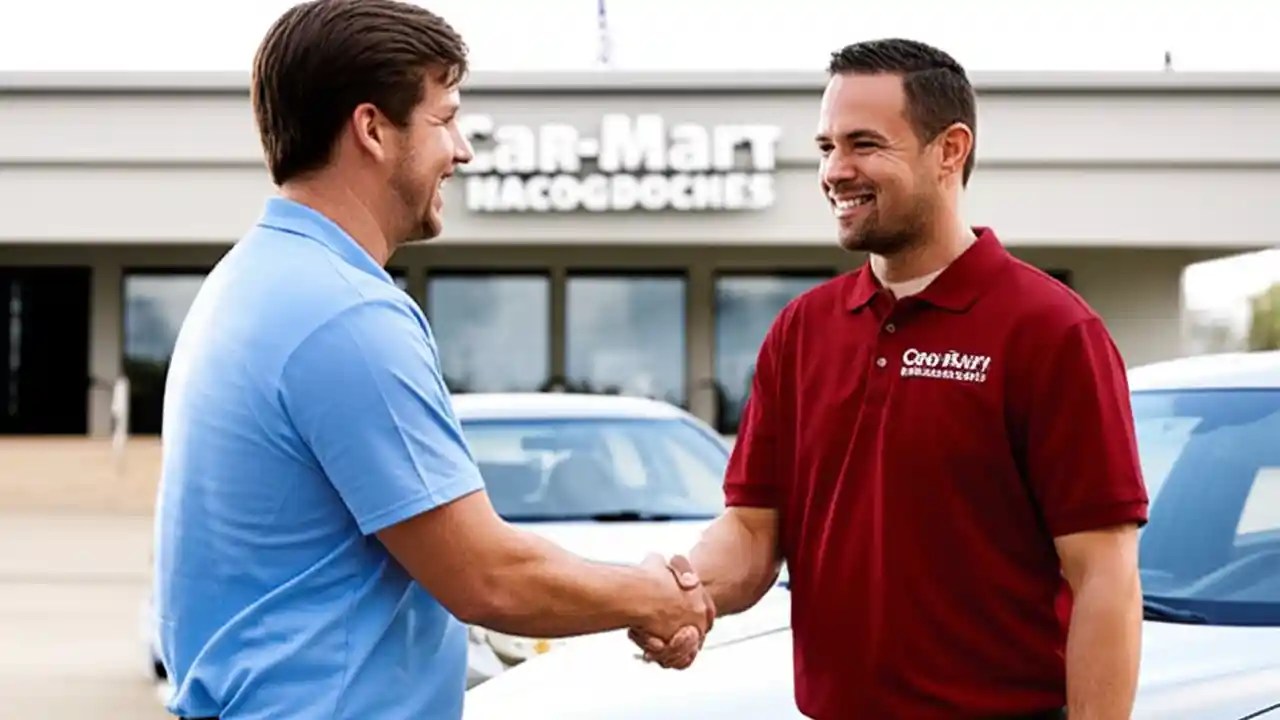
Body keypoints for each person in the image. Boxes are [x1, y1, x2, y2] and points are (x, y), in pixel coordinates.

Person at [152, 2, 711, 719]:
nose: (464, 149)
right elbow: (487, 576)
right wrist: (652, 595)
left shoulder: (247, 282)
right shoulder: (344, 312)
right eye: (444, 118)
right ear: (373, 129)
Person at [632, 38, 1149, 720]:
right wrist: (682, 594)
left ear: (950, 150)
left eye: (864, 144)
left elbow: (1103, 578)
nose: (835, 171)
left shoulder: (1050, 332)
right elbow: (754, 532)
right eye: (826, 147)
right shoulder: (801, 331)